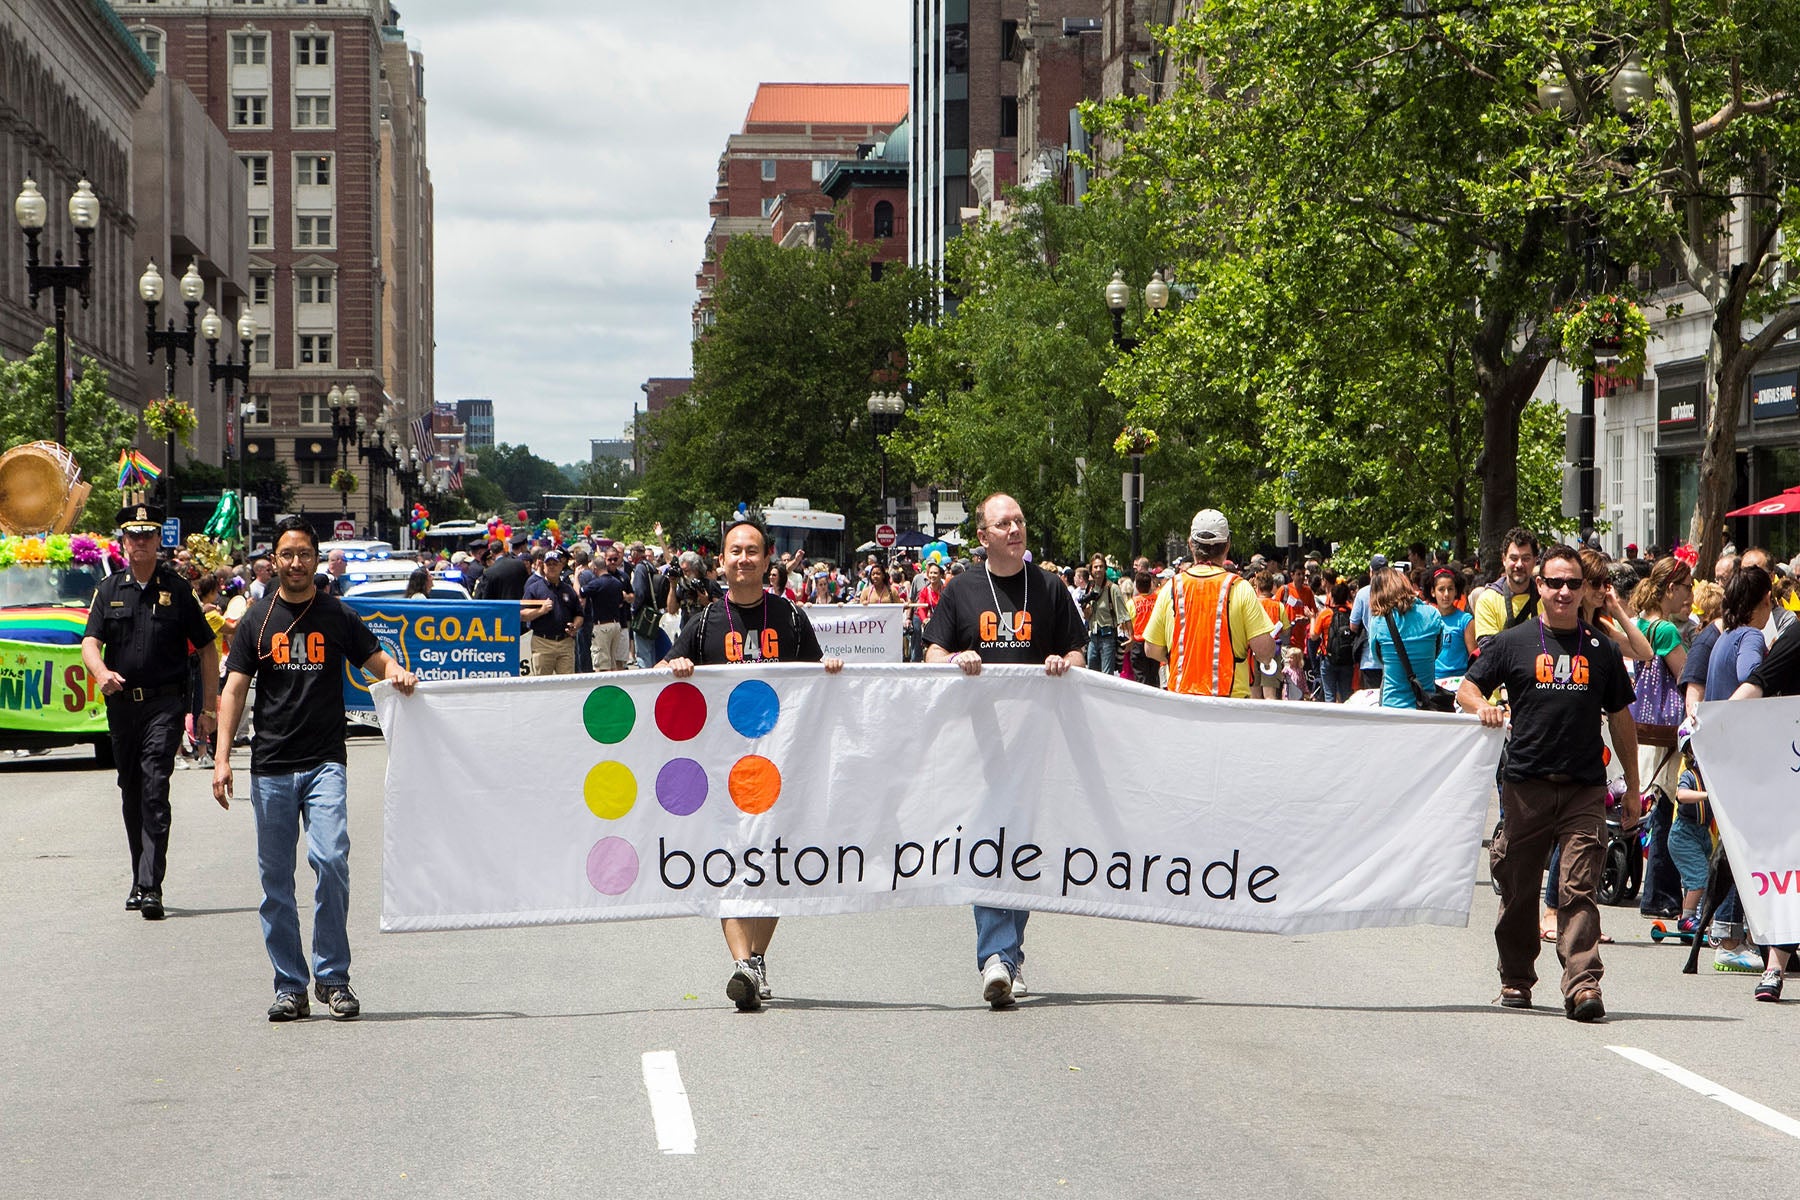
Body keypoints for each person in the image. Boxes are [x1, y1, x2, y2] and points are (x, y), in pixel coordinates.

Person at [212, 516, 418, 1021]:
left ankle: (333, 977)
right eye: (287, 554)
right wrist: (221, 759)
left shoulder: (336, 615)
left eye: (304, 554)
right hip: (271, 766)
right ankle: (290, 986)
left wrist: (397, 674)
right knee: (276, 882)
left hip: (325, 760)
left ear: (316, 558)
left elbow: (375, 659)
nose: (296, 563)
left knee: (331, 861)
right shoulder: (257, 620)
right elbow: (234, 690)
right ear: (274, 560)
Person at [660, 518, 843, 1012]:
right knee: (727, 863)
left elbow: (816, 683)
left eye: (752, 552)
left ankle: (756, 958)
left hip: (780, 765)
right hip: (722, 770)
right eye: (734, 551)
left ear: (767, 561)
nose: (743, 559)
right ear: (722, 561)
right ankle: (742, 965)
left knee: (776, 863)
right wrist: (674, 668)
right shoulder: (703, 623)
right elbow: (657, 675)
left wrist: (827, 673)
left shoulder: (791, 617)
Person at [1458, 545, 1641, 1022]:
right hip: (1525, 786)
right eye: (1555, 583)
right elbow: (1466, 687)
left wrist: (1634, 788)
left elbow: (1621, 719)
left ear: (1586, 591)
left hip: (1583, 788)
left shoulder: (1601, 650)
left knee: (1577, 888)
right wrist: (1484, 707)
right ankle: (1516, 977)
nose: (1564, 592)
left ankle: (1582, 985)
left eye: (1573, 584)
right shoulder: (1512, 642)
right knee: (1519, 891)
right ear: (1538, 586)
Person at [924, 493, 1087, 1009]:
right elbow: (932, 652)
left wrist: (1066, 661)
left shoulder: (1050, 588)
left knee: (1023, 845)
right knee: (988, 837)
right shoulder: (962, 590)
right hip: (980, 740)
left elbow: (1078, 649)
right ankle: (995, 956)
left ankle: (1009, 955)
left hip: (1037, 741)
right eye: (1003, 523)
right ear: (983, 536)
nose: (1015, 528)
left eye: (1019, 519)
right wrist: (955, 657)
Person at [79, 503, 220, 920]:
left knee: (155, 786)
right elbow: (90, 642)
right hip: (122, 706)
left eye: (148, 535)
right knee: (132, 789)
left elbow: (208, 649)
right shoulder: (108, 590)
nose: (140, 543)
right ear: (123, 541)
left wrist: (208, 708)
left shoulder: (178, 589)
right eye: (133, 536)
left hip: (165, 703)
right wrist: (101, 671)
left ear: (159, 540)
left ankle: (150, 884)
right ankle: (138, 875)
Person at [1141, 509, 1278, 698]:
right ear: (1227, 545)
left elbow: (1151, 648)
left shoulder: (1172, 588)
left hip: (1182, 699)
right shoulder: (1239, 588)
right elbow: (1264, 652)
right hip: (1229, 702)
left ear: (1191, 544)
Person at [1369, 567, 1445, 709]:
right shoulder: (1432, 614)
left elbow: (1378, 658)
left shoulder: (1378, 622)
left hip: (1393, 707)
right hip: (1426, 705)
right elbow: (1437, 651)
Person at [1471, 527, 1541, 652]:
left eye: (1526, 559)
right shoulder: (1488, 600)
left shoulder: (1547, 598)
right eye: (1514, 558)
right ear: (1504, 559)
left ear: (1535, 561)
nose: (1519, 565)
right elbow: (1489, 651)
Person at [523, 549, 583, 676]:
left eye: (554, 564)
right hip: (542, 643)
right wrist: (541, 610)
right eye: (548, 564)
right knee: (542, 685)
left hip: (565, 642)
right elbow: (522, 614)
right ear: (543, 566)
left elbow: (579, 614)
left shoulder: (568, 589)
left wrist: (575, 626)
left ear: (561, 566)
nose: (551, 567)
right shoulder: (534, 588)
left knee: (567, 684)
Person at [581, 546, 631, 672]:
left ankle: (604, 690)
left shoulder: (596, 583)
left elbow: (580, 593)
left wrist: (576, 578)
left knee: (601, 665)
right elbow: (621, 603)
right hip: (616, 625)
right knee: (613, 663)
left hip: (602, 626)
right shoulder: (617, 583)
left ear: (595, 569)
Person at [1081, 553, 1129, 676]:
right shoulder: (1089, 588)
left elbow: (1124, 615)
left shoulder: (1112, 588)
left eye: (1101, 567)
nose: (1098, 570)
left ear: (1105, 569)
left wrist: (1131, 637)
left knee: (1106, 676)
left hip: (1108, 637)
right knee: (1091, 675)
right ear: (1091, 569)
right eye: (1095, 567)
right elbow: (1086, 616)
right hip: (1092, 637)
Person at [1428, 567, 1476, 678]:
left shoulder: (1466, 620)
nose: (1446, 594)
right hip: (1433, 680)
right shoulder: (1428, 620)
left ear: (1456, 591)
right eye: (1441, 589)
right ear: (1433, 592)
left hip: (1459, 680)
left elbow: (1474, 656)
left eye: (1450, 589)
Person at [473, 536, 529, 602]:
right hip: (519, 607)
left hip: (500, 610)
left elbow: (487, 598)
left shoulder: (489, 572)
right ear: (504, 549)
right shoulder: (520, 564)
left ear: (491, 553)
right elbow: (527, 586)